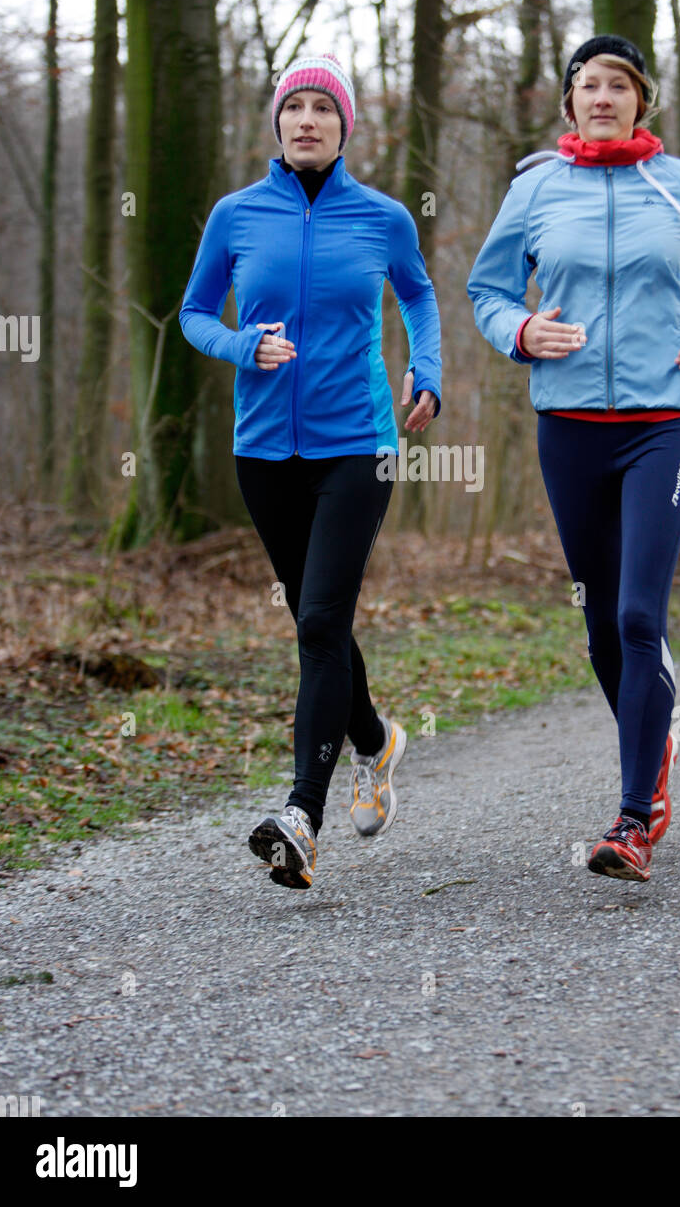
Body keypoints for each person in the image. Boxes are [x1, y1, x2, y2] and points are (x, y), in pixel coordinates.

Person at [467, 34, 680, 882]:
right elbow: (485, 290)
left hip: (665, 417)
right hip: (568, 422)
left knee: (637, 615)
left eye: (618, 85)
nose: (602, 97)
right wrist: (519, 332)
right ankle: (652, 759)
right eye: (587, 85)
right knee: (598, 623)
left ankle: (631, 819)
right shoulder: (535, 189)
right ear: (568, 103)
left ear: (641, 102)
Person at [180, 52, 442, 890]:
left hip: (356, 444)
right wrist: (241, 344)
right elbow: (192, 314)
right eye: (292, 108)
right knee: (313, 621)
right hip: (261, 449)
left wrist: (426, 369)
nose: (305, 120)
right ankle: (374, 740)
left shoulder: (382, 218)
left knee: (321, 621)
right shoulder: (235, 215)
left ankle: (301, 813)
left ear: (343, 127)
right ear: (276, 125)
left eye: (321, 110)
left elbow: (420, 295)